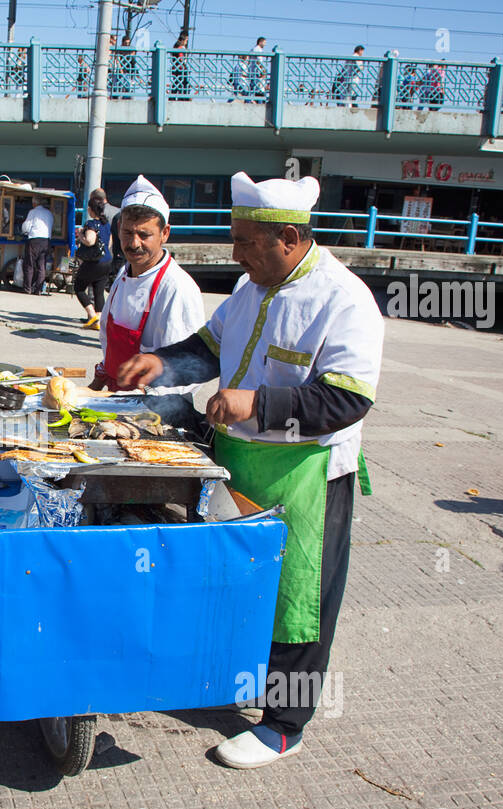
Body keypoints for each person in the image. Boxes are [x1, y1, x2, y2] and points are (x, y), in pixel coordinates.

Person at [116, 172, 383, 769]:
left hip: (306, 472)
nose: (234, 254)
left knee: (299, 599)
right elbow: (208, 348)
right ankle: (231, 674)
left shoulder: (344, 300)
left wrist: (258, 403)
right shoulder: (249, 288)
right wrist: (160, 362)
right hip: (241, 461)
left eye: (244, 242)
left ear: (288, 237)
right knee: (239, 579)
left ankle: (286, 722)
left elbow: (348, 399)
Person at [88, 176, 203, 434]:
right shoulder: (123, 275)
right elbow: (110, 340)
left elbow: (189, 367)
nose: (134, 243)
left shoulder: (176, 288)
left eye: (144, 234)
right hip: (120, 405)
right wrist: (99, 380)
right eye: (128, 233)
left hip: (161, 414)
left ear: (165, 233)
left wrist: (144, 394)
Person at [76, 189, 113, 329]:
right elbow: (109, 242)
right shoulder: (106, 223)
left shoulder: (92, 224)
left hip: (94, 262)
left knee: (78, 287)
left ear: (91, 210)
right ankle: (99, 322)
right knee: (99, 291)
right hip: (106, 260)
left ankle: (92, 315)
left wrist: (80, 234)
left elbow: (90, 241)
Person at [20, 195, 54, 296]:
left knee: (29, 264)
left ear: (34, 203)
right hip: (46, 241)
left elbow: (26, 226)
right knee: (41, 266)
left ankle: (27, 288)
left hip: (34, 240)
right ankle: (38, 290)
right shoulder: (49, 213)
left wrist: (24, 232)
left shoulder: (33, 212)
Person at [171, 31, 191, 100]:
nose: (186, 42)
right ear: (183, 39)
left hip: (176, 69)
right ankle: (183, 98)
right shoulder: (180, 48)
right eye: (186, 40)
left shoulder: (175, 46)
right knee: (183, 84)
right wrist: (184, 65)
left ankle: (173, 98)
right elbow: (180, 58)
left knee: (177, 84)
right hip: (180, 69)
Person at [249, 37, 267, 102]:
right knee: (258, 89)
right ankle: (258, 102)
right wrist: (263, 71)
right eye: (264, 43)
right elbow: (259, 61)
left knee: (253, 88)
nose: (265, 45)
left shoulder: (253, 49)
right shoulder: (258, 49)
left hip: (252, 71)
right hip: (256, 72)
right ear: (260, 42)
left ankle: (250, 100)